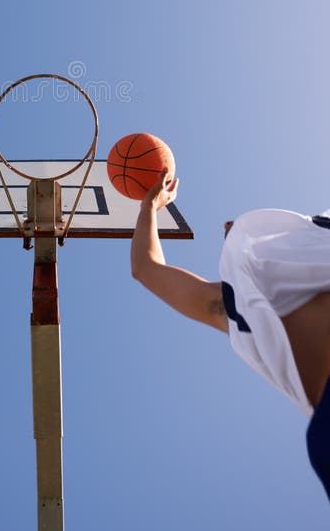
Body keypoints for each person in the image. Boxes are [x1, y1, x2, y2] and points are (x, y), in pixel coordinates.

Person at [131, 169, 330, 500]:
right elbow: (146, 269)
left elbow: (146, 270)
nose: (228, 228)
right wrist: (149, 207)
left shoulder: (317, 241)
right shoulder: (239, 309)